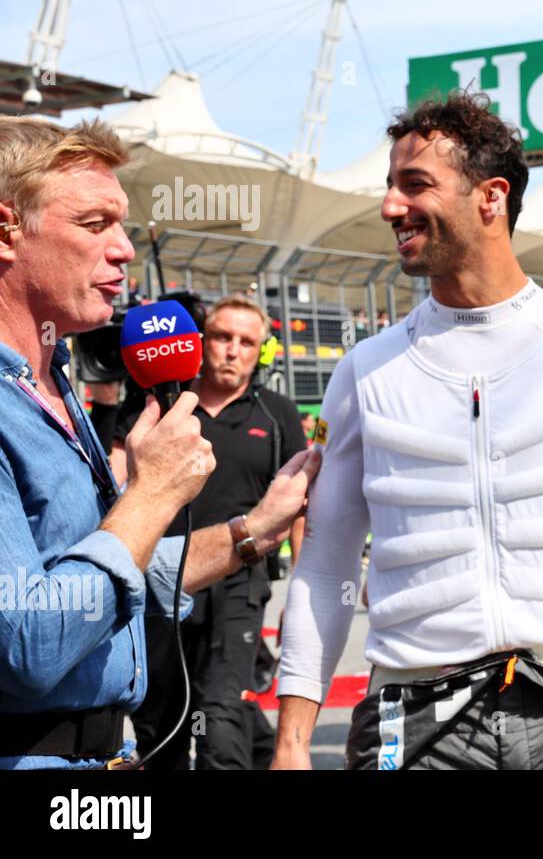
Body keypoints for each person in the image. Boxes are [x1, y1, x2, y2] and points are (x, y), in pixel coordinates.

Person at [272, 93, 543, 770]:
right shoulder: (364, 370)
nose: (390, 206)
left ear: (490, 197)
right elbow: (325, 565)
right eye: (390, 185)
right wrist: (294, 743)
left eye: (414, 184)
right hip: (410, 722)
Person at [0, 117, 317, 769]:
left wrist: (250, 531)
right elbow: (28, 643)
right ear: (6, 230)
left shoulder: (54, 384)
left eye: (122, 224)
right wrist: (152, 493)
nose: (123, 249)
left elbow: (115, 570)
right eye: (94, 224)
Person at [112, 296, 308, 769]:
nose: (232, 350)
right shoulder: (160, 404)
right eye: (222, 337)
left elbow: (299, 510)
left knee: (220, 718)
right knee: (162, 724)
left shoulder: (277, 414)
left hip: (239, 585)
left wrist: (304, 598)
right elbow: (117, 483)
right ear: (201, 341)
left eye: (247, 342)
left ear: (260, 351)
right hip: (161, 580)